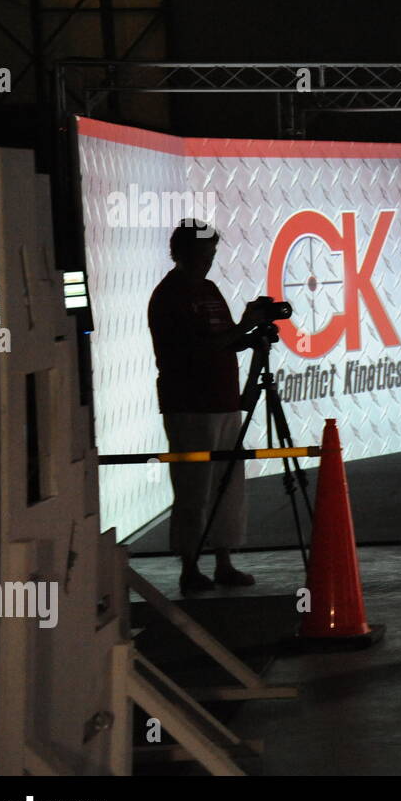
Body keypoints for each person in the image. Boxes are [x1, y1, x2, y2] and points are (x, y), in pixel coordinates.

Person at [147, 219, 267, 595]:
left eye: (211, 254)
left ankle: (223, 561)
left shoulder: (209, 289)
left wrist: (248, 336)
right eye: (202, 254)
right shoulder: (170, 296)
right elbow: (199, 348)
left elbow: (223, 340)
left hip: (222, 401)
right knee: (194, 488)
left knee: (227, 487)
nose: (208, 262)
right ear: (180, 254)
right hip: (190, 405)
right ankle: (190, 567)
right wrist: (245, 326)